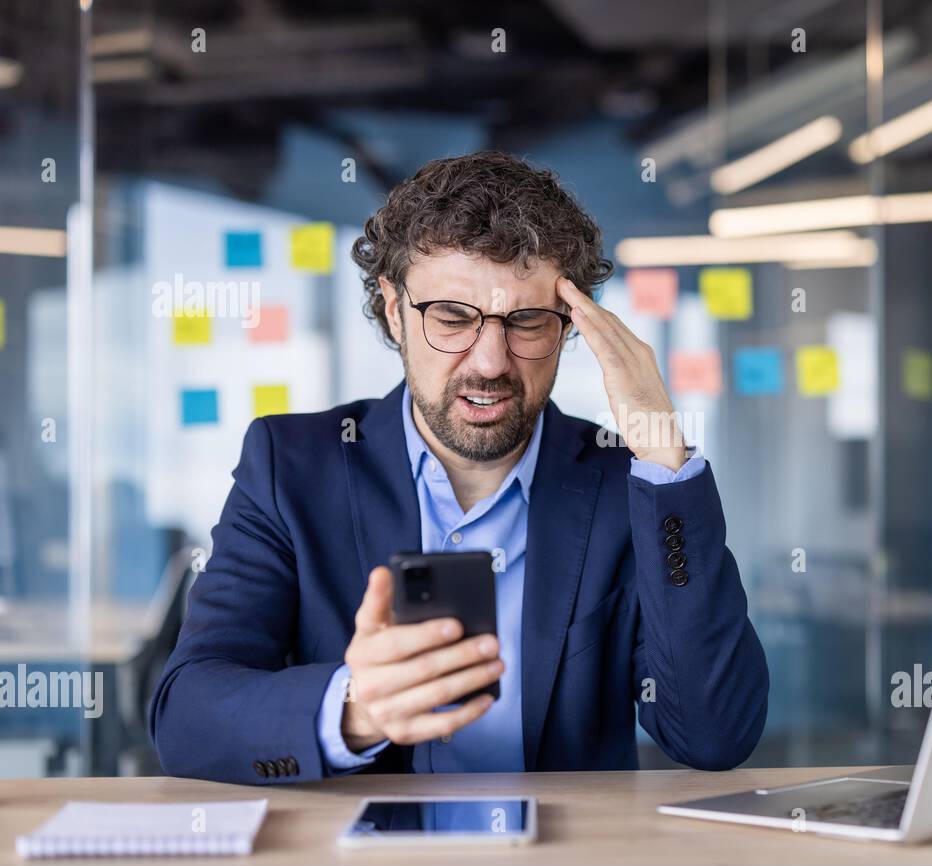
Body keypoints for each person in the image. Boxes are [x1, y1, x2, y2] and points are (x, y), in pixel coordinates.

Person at [149, 150, 768, 783]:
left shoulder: (627, 484)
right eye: (452, 319)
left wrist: (662, 450)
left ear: (571, 326)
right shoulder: (291, 469)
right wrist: (357, 708)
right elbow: (187, 716)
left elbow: (714, 733)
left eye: (526, 322)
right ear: (394, 310)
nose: (491, 362)